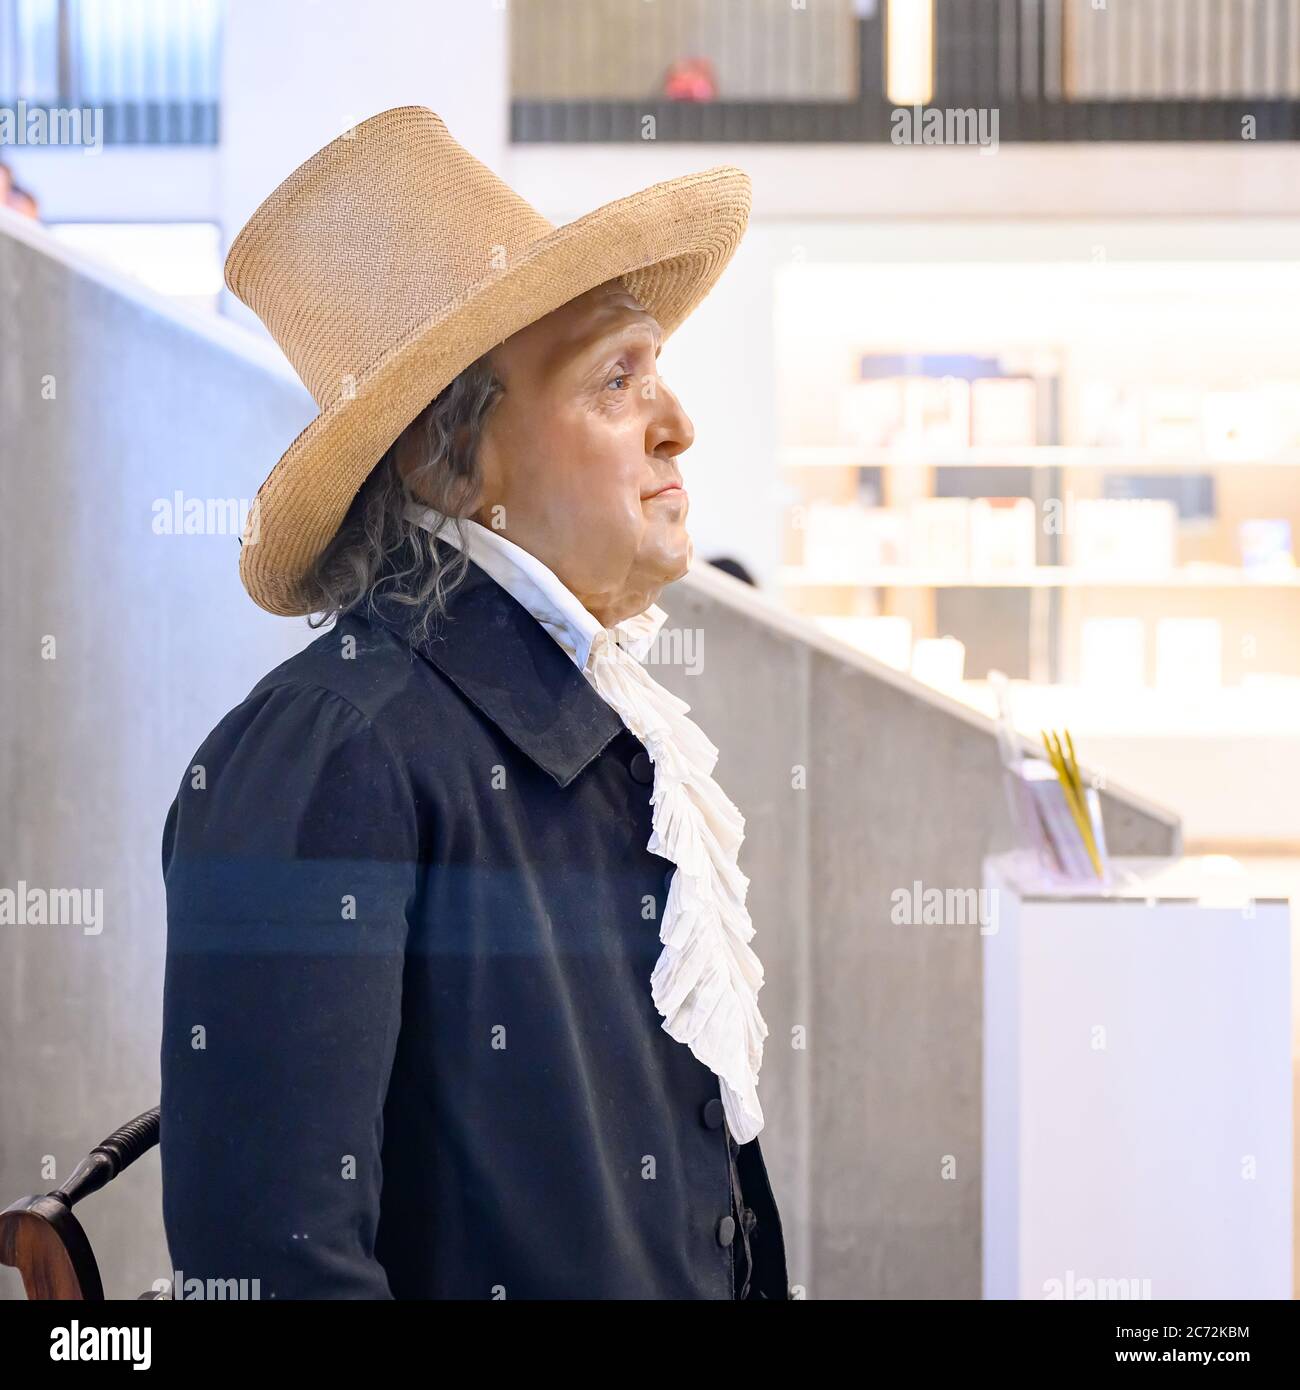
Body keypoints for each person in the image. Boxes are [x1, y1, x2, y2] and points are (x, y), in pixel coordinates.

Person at [159, 106, 790, 1300]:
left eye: (654, 369)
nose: (677, 424)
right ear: (450, 461)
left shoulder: (598, 726)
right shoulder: (330, 751)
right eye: (616, 379)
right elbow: (274, 1262)